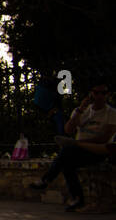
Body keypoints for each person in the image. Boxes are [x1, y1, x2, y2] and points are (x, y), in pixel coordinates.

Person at [29, 81, 116, 211]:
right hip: (77, 150)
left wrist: (82, 143)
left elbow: (105, 138)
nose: (99, 96)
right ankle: (77, 199)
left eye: (103, 93)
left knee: (66, 153)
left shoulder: (111, 113)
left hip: (97, 151)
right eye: (96, 93)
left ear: (107, 95)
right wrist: (80, 109)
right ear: (91, 94)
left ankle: (47, 180)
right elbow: (68, 130)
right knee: (67, 163)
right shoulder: (82, 111)